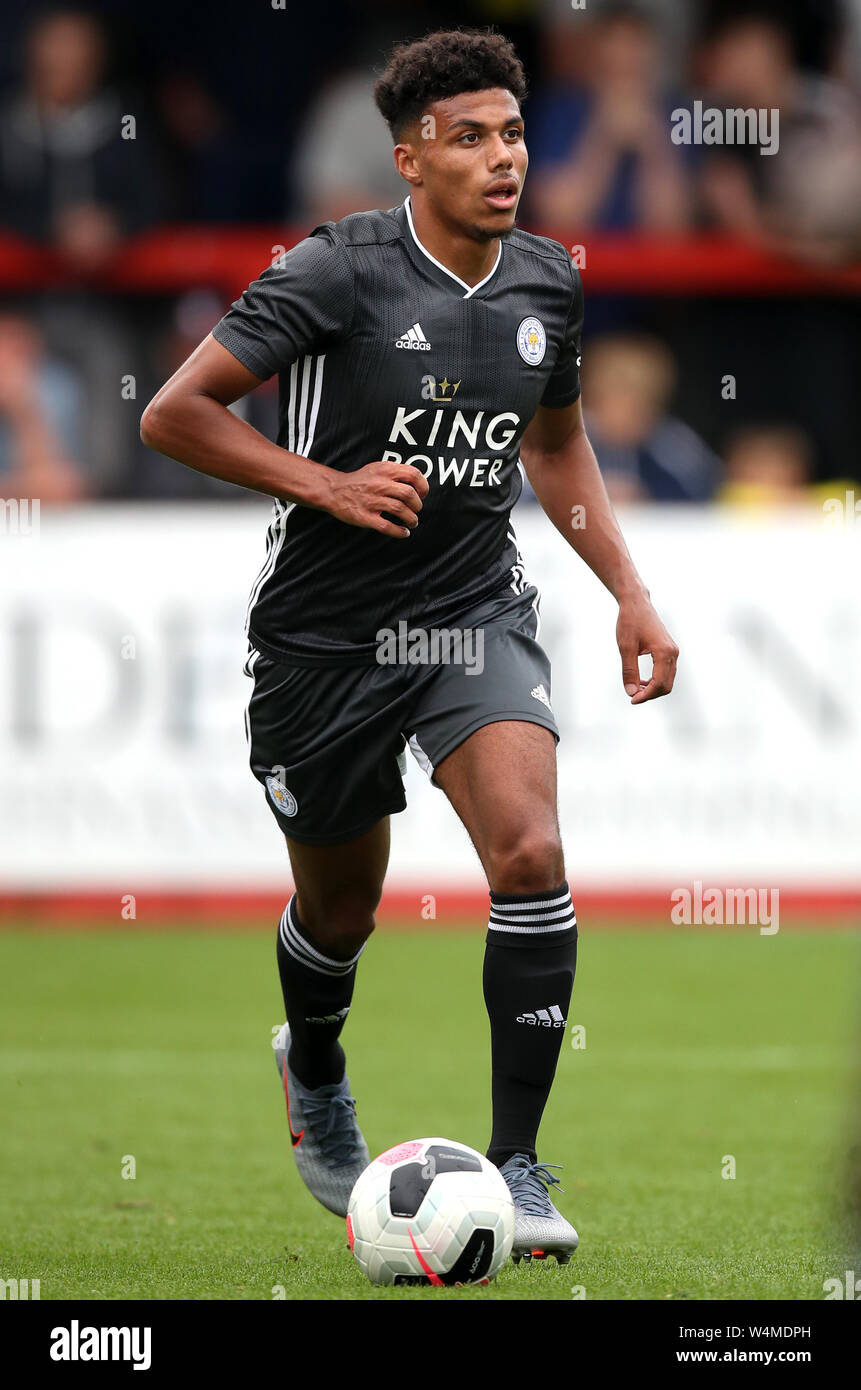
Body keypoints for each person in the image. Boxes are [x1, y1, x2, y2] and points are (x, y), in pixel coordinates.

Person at [140, 28, 678, 1268]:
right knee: (341, 908)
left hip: (470, 613)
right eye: (472, 138)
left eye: (514, 134)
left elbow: (554, 447)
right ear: (411, 158)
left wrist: (629, 591)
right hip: (324, 637)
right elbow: (177, 413)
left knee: (532, 848)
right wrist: (320, 485)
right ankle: (315, 1065)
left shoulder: (549, 281)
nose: (504, 160)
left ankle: (524, 1164)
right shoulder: (335, 270)